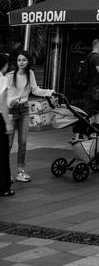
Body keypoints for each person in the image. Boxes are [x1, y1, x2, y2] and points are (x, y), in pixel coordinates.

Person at [6, 49, 54, 183]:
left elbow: (35, 90)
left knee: (22, 143)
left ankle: (21, 171)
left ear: (28, 62)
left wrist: (50, 92)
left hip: (25, 110)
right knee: (8, 144)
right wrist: (11, 102)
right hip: (11, 111)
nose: (21, 62)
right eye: (19, 60)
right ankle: (5, 173)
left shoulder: (30, 74)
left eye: (24, 60)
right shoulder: (10, 76)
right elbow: (4, 95)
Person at [0, 53, 14, 197]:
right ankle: (4, 187)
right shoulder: (3, 79)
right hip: (0, 118)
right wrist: (8, 123)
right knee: (2, 153)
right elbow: (2, 103)